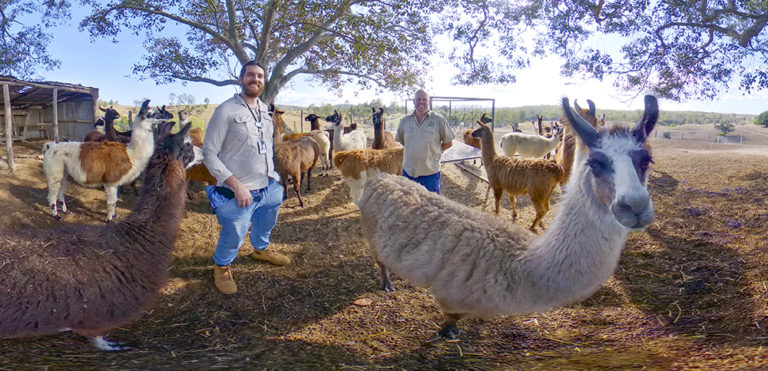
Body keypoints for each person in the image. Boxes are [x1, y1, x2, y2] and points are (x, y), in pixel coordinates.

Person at [203, 60, 290, 295]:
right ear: (241, 79)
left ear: (264, 81)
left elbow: (265, 148)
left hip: (268, 185)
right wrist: (236, 185)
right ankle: (222, 266)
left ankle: (260, 250)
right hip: (238, 191)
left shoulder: (264, 109)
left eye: (260, 76)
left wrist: (275, 179)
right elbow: (209, 154)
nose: (256, 79)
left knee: (266, 222)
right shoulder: (226, 111)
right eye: (250, 75)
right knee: (234, 231)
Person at [395, 89, 454, 193]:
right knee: (408, 204)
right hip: (409, 173)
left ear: (429, 102)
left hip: (430, 174)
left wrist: (435, 151)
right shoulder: (405, 121)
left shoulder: (438, 120)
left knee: (431, 206)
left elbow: (448, 142)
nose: (421, 102)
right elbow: (403, 142)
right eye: (418, 99)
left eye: (424, 99)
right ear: (414, 101)